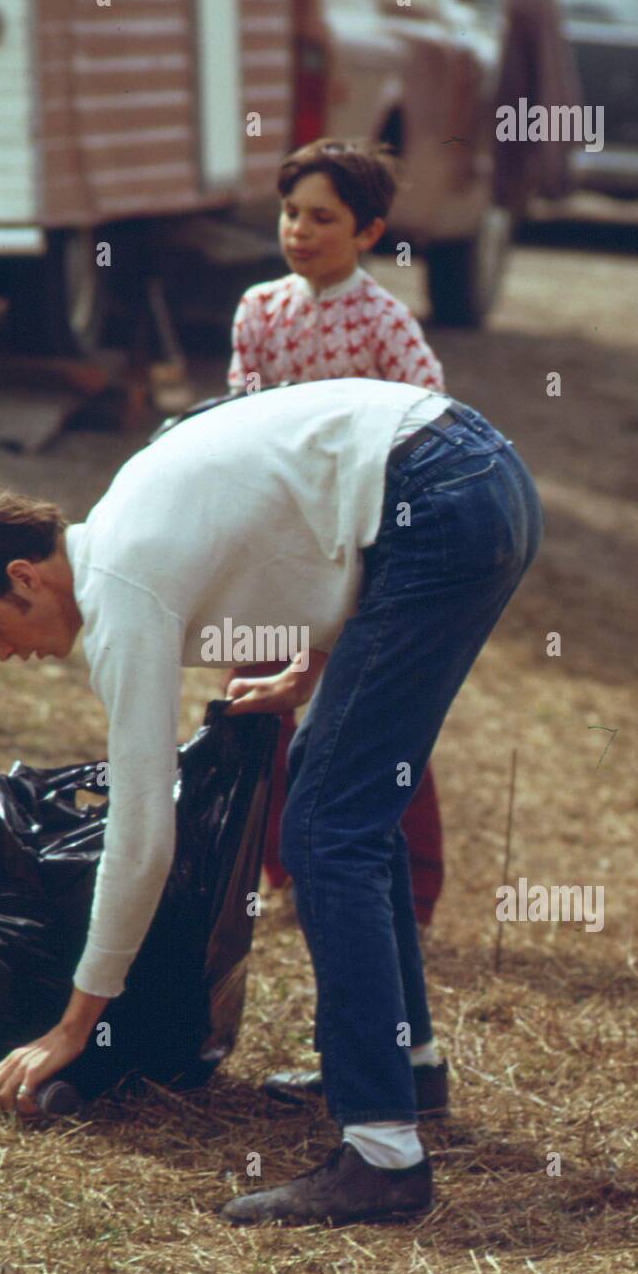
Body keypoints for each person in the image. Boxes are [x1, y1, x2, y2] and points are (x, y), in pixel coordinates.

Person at [0, 377, 543, 1227]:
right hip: (467, 479)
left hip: (442, 493)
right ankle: (407, 1066)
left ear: (24, 576)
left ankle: (383, 1155)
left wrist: (74, 1025)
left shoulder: (123, 591)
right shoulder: (125, 534)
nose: (2, 651)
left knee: (321, 829)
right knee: (333, 789)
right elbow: (318, 537)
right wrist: (308, 671)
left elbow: (140, 836)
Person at [226, 138, 447, 930]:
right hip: (277, 538)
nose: (300, 230)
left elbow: (427, 419)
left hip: (360, 543)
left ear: (367, 231)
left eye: (323, 217)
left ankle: (412, 892)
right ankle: (271, 871)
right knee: (254, 696)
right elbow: (237, 423)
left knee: (367, 710)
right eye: (290, 213)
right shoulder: (259, 309)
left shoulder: (384, 320)